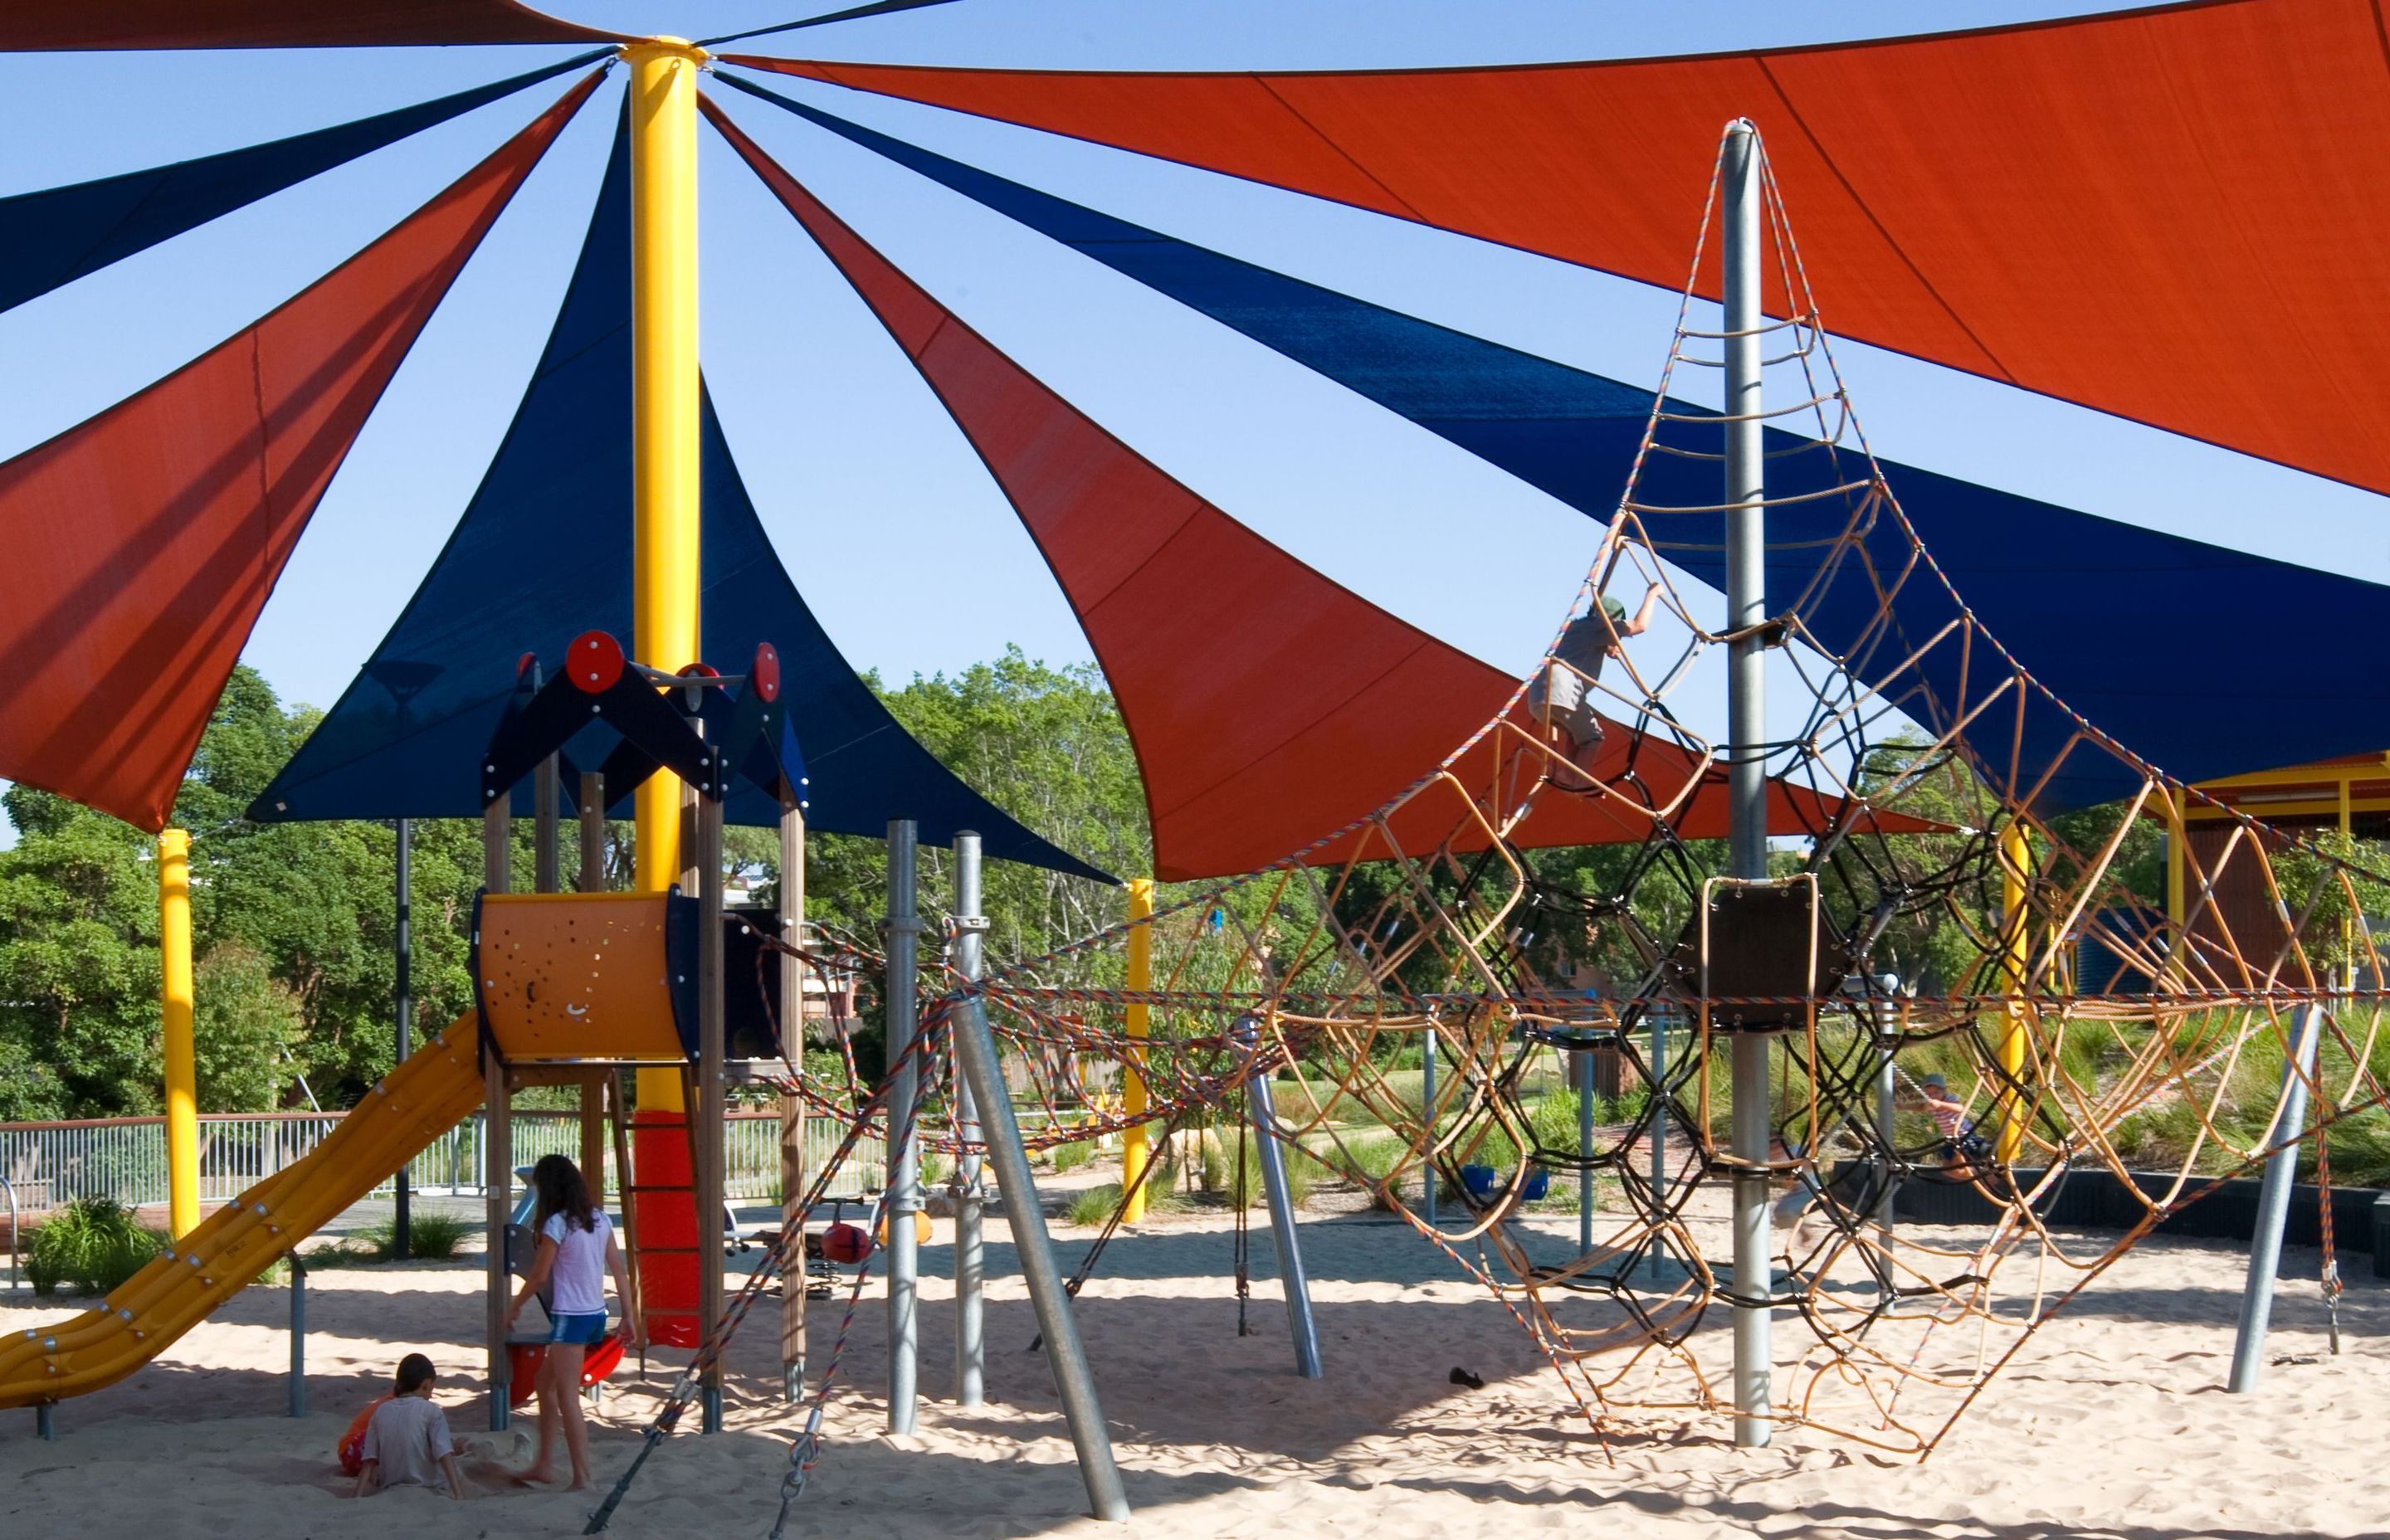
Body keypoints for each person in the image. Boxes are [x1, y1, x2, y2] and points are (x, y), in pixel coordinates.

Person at [505, 1153, 639, 1490]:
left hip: (572, 1317)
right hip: (596, 1313)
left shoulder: (556, 1224)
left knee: (567, 1396)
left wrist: (514, 1307)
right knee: (544, 1384)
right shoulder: (599, 1219)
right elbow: (620, 1273)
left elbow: (538, 1278)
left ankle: (583, 1478)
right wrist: (629, 1317)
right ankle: (545, 1463)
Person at [1527, 582, 1662, 790]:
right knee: (1593, 738)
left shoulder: (1579, 626)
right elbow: (1639, 625)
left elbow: (1586, 644)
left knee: (1577, 735)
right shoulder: (1600, 625)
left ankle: (1568, 775)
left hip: (1537, 698)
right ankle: (1579, 783)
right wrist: (1652, 594)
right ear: (1611, 620)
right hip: (1562, 694)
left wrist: (1608, 646)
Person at [353, 1352, 467, 1501]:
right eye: (431, 1390)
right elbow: (444, 1454)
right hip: (427, 1485)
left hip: (391, 1485)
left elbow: (369, 1460)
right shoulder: (431, 1411)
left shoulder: (380, 1411)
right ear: (426, 1383)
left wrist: (357, 1496)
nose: (431, 1396)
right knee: (459, 1469)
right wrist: (459, 1494)